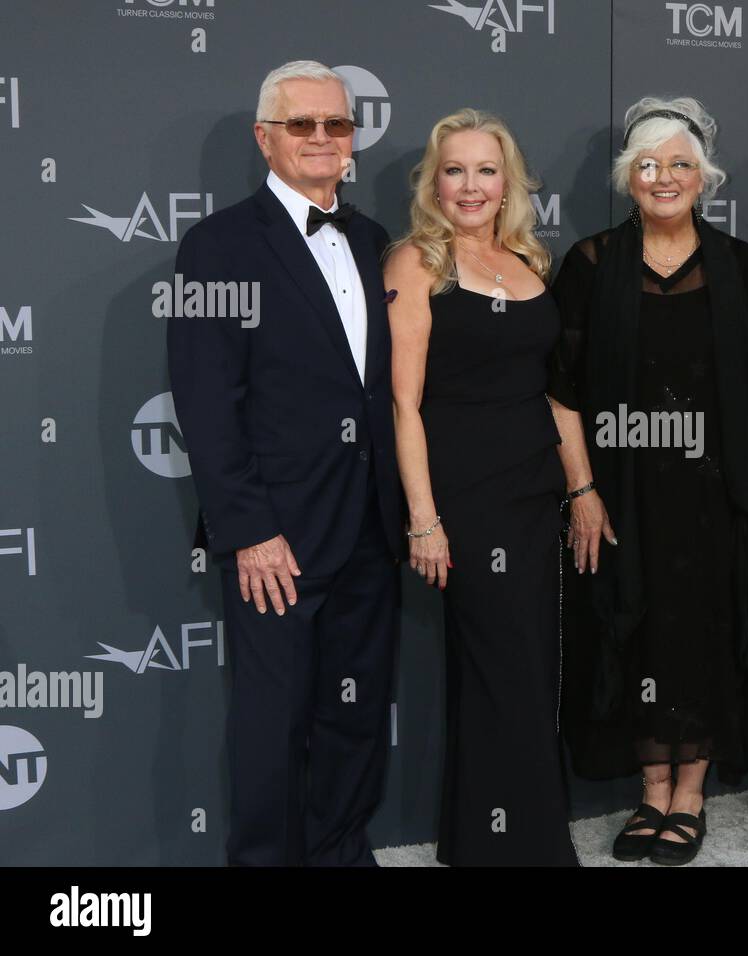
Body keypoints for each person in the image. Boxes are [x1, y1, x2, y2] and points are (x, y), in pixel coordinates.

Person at [548, 96, 748, 865]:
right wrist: (582, 491)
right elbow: (559, 391)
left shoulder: (742, 268)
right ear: (629, 178)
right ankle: (649, 790)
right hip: (624, 496)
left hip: (718, 499)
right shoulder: (592, 266)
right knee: (632, 631)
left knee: (702, 636)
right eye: (649, 165)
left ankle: (689, 794)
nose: (664, 178)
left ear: (706, 177)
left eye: (680, 164)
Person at [167, 60, 403, 865]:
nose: (321, 138)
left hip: (372, 525)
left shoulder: (373, 240)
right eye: (301, 124)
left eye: (336, 124)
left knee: (355, 711)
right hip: (279, 539)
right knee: (271, 722)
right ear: (265, 138)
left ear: (353, 138)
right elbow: (205, 405)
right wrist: (250, 531)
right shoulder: (216, 245)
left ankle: (340, 852)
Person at [385, 109, 578, 866]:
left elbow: (551, 392)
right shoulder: (416, 263)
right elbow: (404, 403)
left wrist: (579, 487)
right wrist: (424, 520)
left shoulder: (529, 260)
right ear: (435, 183)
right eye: (455, 170)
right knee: (504, 671)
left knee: (527, 669)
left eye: (485, 170)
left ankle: (488, 841)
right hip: (467, 497)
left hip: (535, 494)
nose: (471, 185)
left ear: (509, 183)